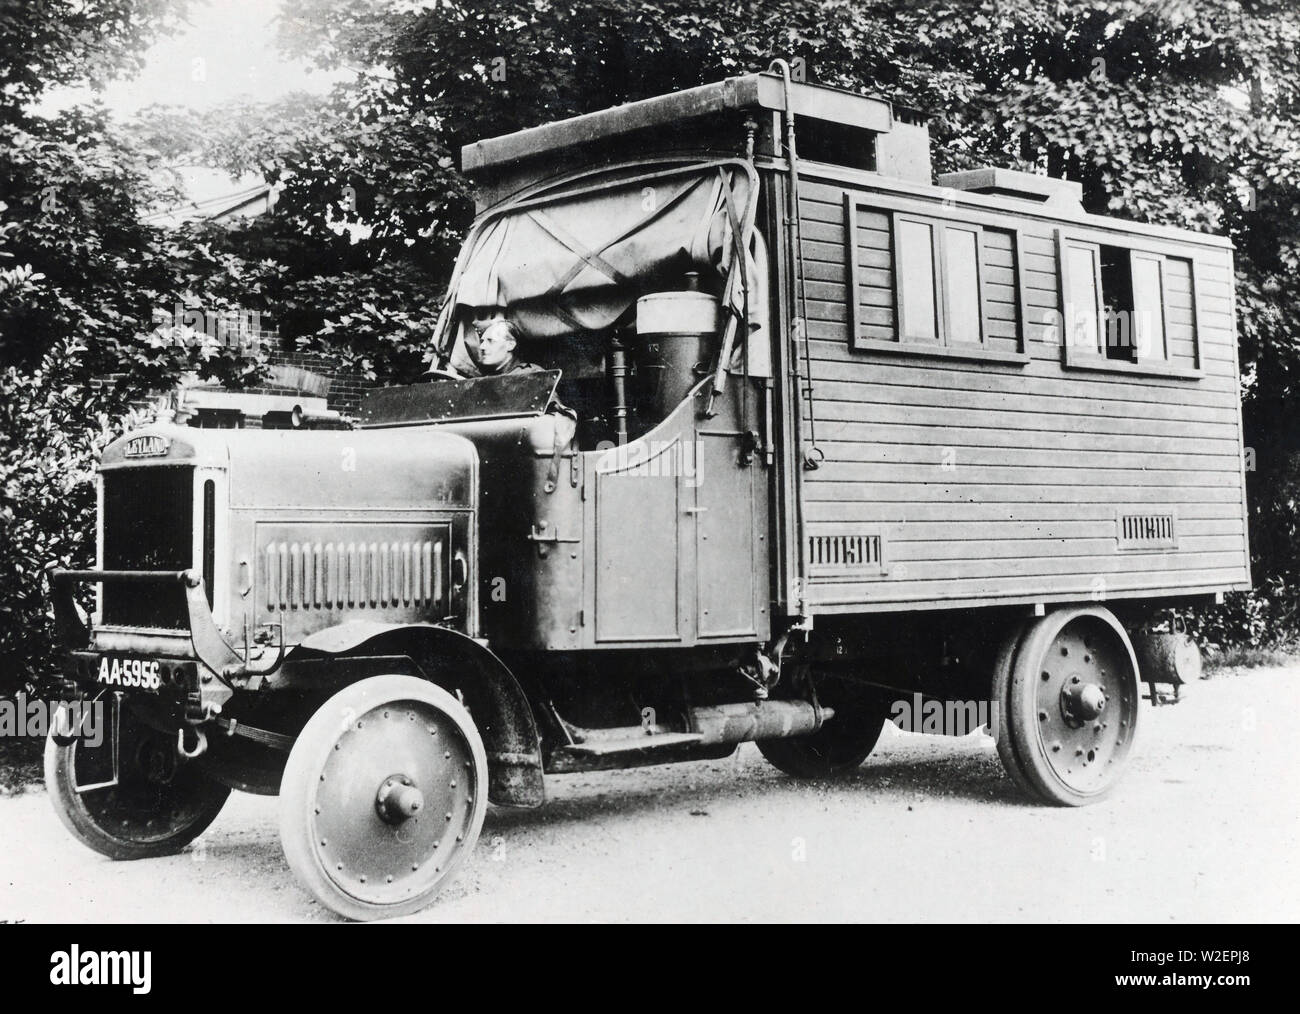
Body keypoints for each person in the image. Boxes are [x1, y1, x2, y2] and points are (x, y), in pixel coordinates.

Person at [472, 319, 541, 376]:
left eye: (491, 341)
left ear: (510, 345)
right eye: (482, 342)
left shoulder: (532, 373)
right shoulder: (485, 378)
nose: (482, 347)